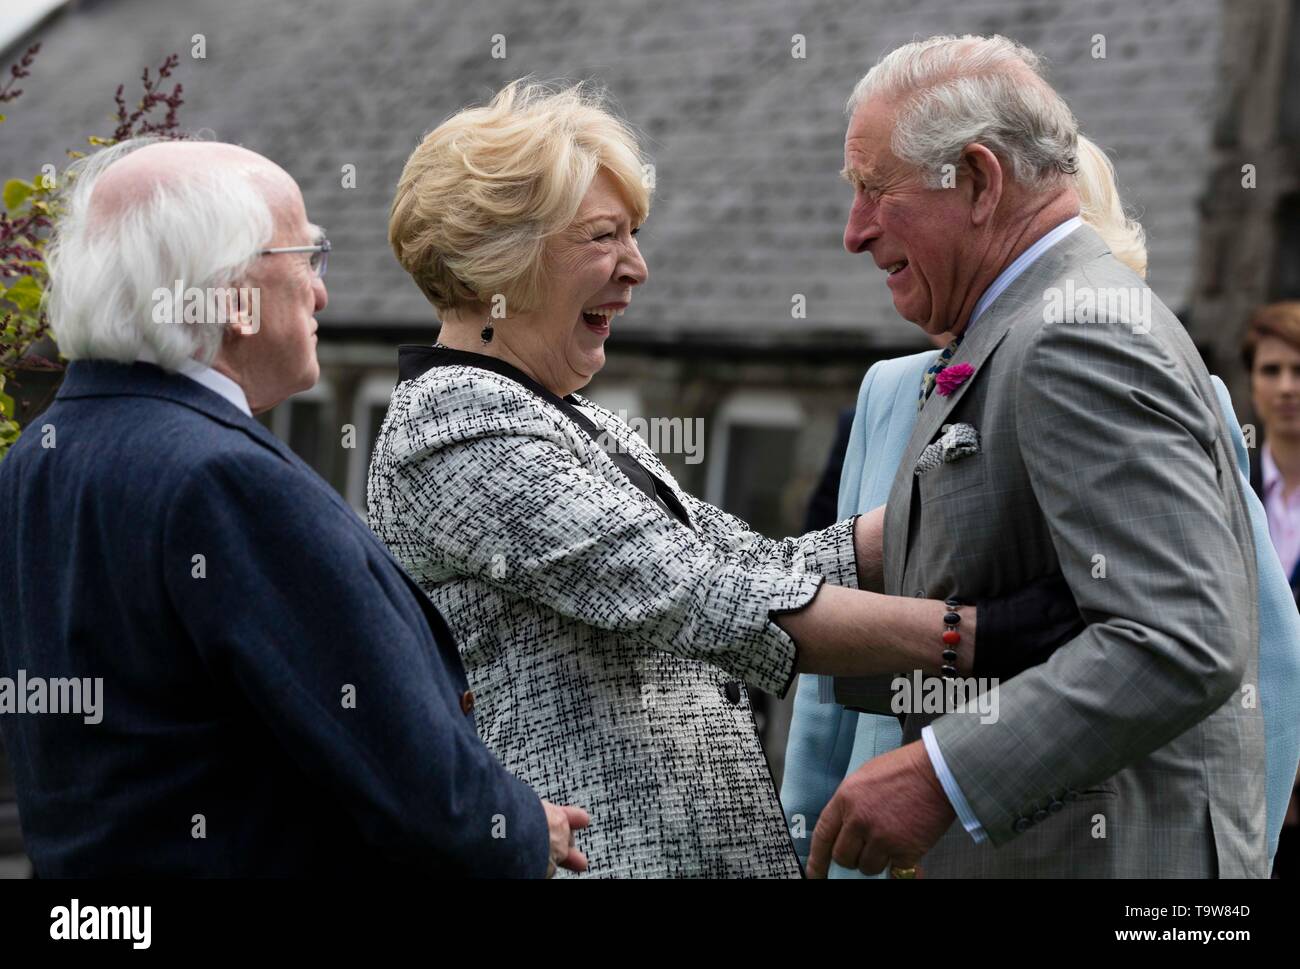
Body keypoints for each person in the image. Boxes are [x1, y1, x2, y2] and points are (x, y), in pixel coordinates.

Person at [368, 80, 1074, 877]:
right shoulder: (452, 427)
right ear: (504, 257)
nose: (637, 266)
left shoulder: (571, 415)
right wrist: (977, 636)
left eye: (633, 233)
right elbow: (699, 595)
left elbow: (761, 567)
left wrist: (987, 490)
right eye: (605, 236)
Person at [0, 136, 587, 877]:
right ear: (236, 297)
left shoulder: (38, 455)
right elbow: (406, 768)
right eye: (307, 258)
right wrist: (521, 828)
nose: (321, 292)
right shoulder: (223, 480)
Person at [807, 34, 1267, 879]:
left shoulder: (1075, 332)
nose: (855, 232)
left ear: (978, 181)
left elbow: (1182, 636)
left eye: (875, 190)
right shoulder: (1024, 322)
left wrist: (941, 774)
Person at [1240, 302, 1300, 876]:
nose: (1286, 388)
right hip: (1246, 762)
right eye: (1271, 370)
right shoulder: (1229, 487)